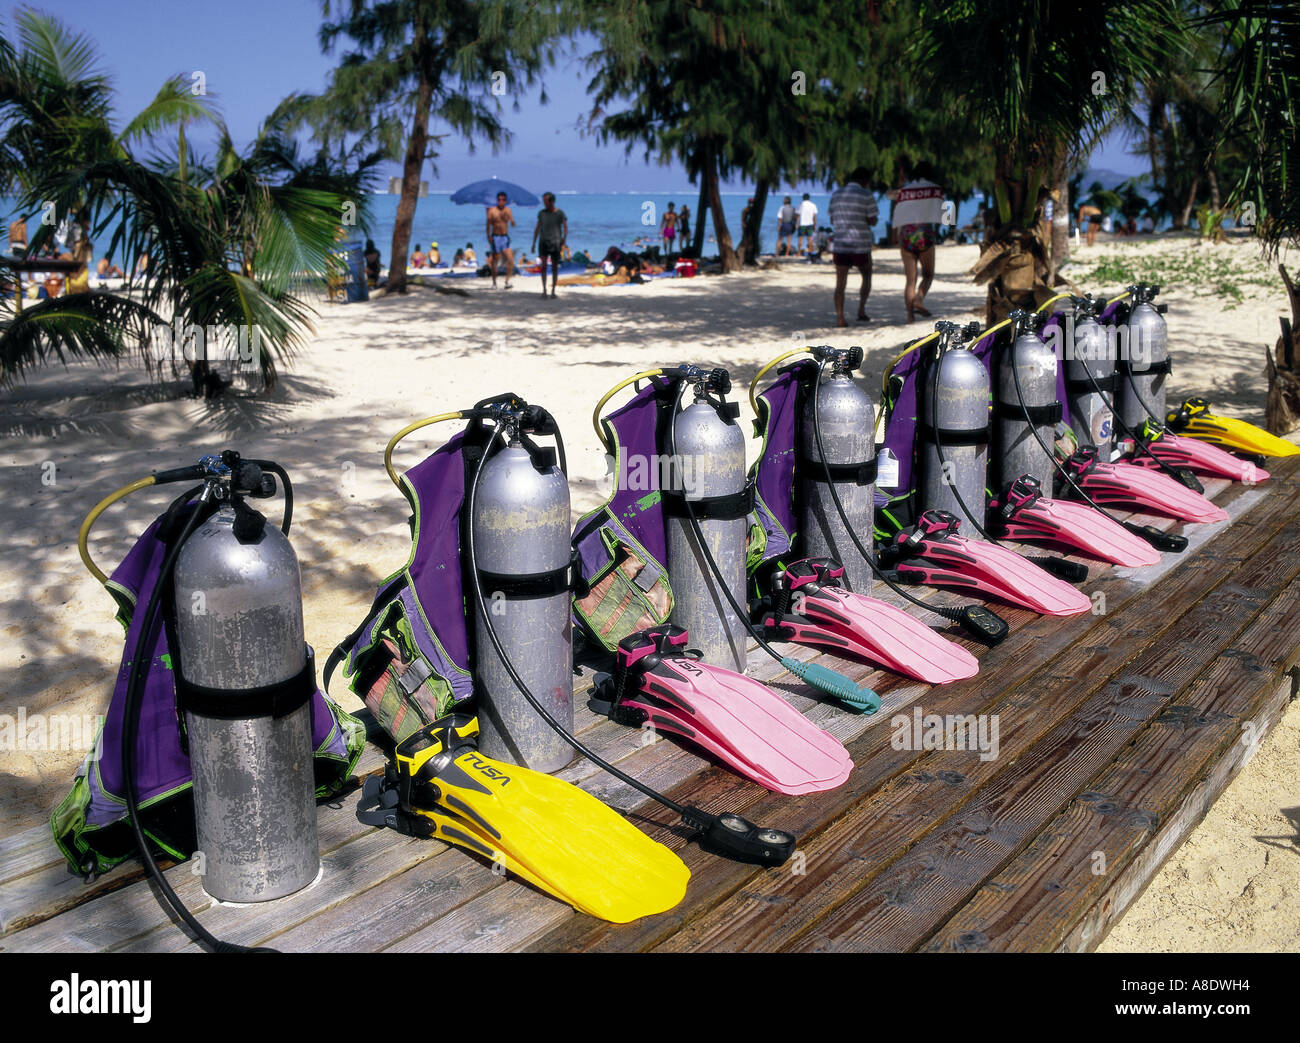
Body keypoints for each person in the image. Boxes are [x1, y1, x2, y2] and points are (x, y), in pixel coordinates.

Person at [890, 161, 944, 322]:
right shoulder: (935, 188)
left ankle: (910, 316)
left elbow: (897, 213)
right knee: (928, 274)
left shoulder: (904, 190)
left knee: (910, 280)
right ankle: (919, 299)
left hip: (906, 234)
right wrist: (948, 226)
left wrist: (894, 234)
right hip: (925, 233)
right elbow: (947, 210)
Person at [828, 166, 879, 327]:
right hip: (860, 245)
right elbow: (873, 220)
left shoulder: (836, 195)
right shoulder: (866, 194)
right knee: (867, 276)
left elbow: (831, 220)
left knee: (840, 283)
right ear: (864, 181)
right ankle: (861, 310)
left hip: (840, 244)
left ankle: (840, 318)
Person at [532, 191, 568, 298]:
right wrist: (533, 243)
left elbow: (565, 228)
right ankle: (544, 290)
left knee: (554, 267)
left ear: (552, 201)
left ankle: (553, 290)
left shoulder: (560, 213)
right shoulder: (542, 213)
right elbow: (537, 228)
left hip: (555, 243)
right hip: (543, 242)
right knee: (543, 266)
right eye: (543, 201)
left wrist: (563, 240)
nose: (544, 203)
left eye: (546, 201)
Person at [486, 192, 515, 288]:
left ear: (505, 201)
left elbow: (513, 223)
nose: (501, 201)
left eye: (503, 199)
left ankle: (507, 282)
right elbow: (488, 225)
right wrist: (488, 236)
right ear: (497, 200)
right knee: (495, 261)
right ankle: (494, 283)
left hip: (505, 237)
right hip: (495, 237)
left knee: (510, 260)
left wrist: (510, 219)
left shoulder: (508, 210)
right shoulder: (492, 211)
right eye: (499, 199)